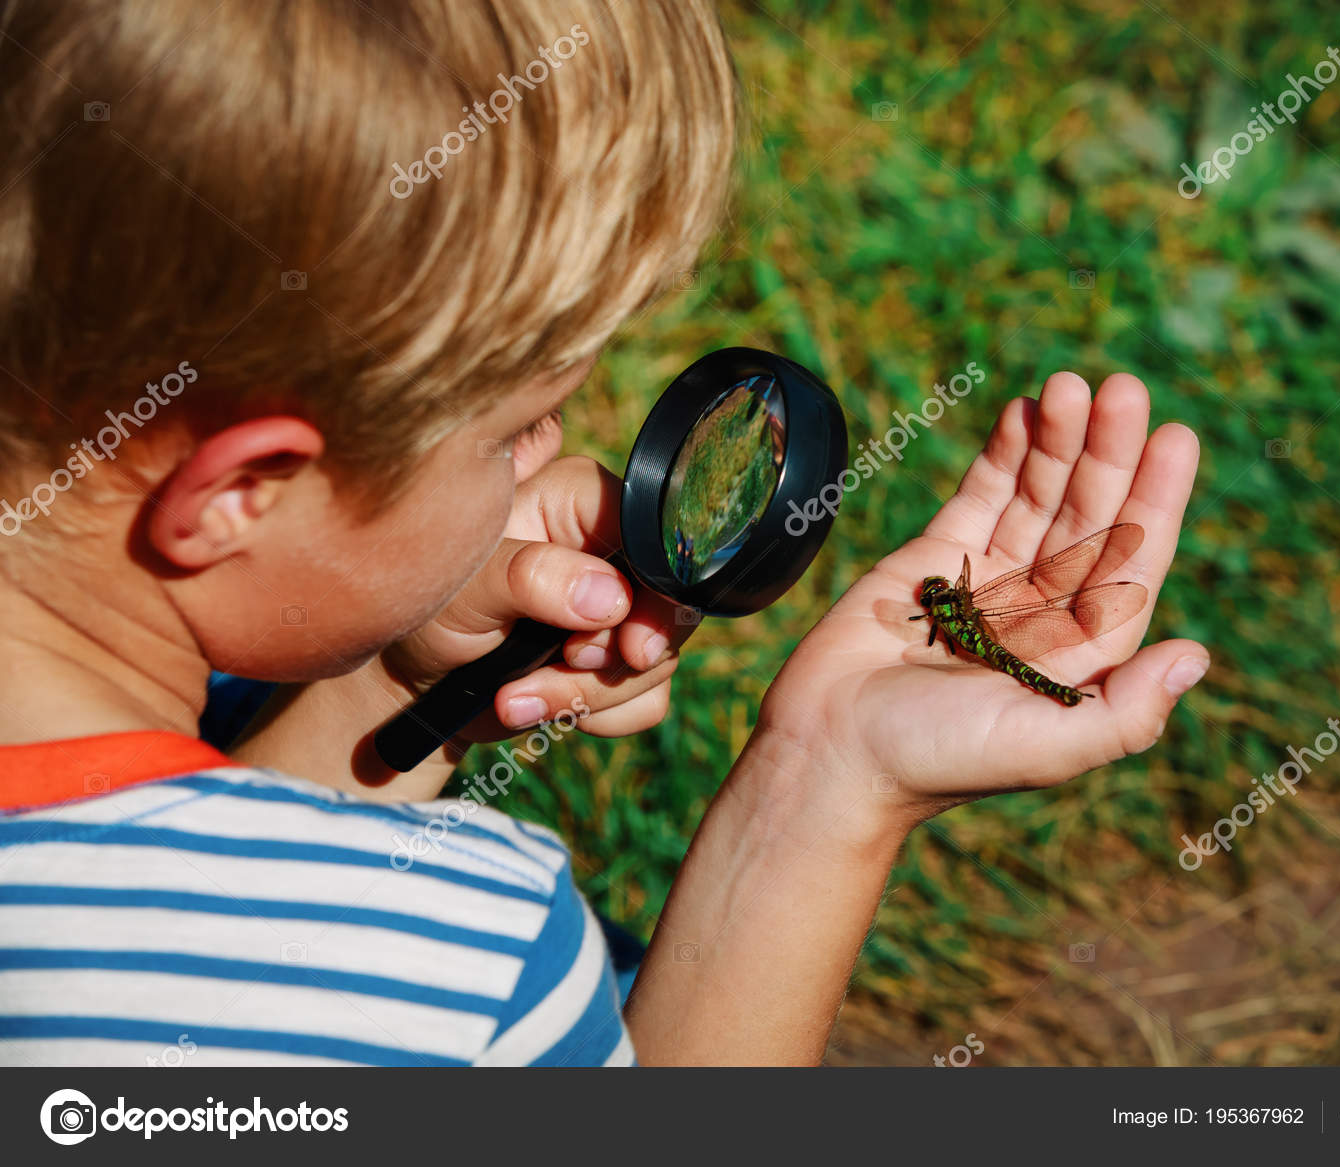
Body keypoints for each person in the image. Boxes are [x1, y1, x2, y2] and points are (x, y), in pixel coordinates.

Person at [0, 0, 1206, 1066]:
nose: (555, 452)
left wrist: (387, 685)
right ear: (238, 493)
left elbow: (192, 899)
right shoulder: (459, 975)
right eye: (515, 429)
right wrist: (825, 787)